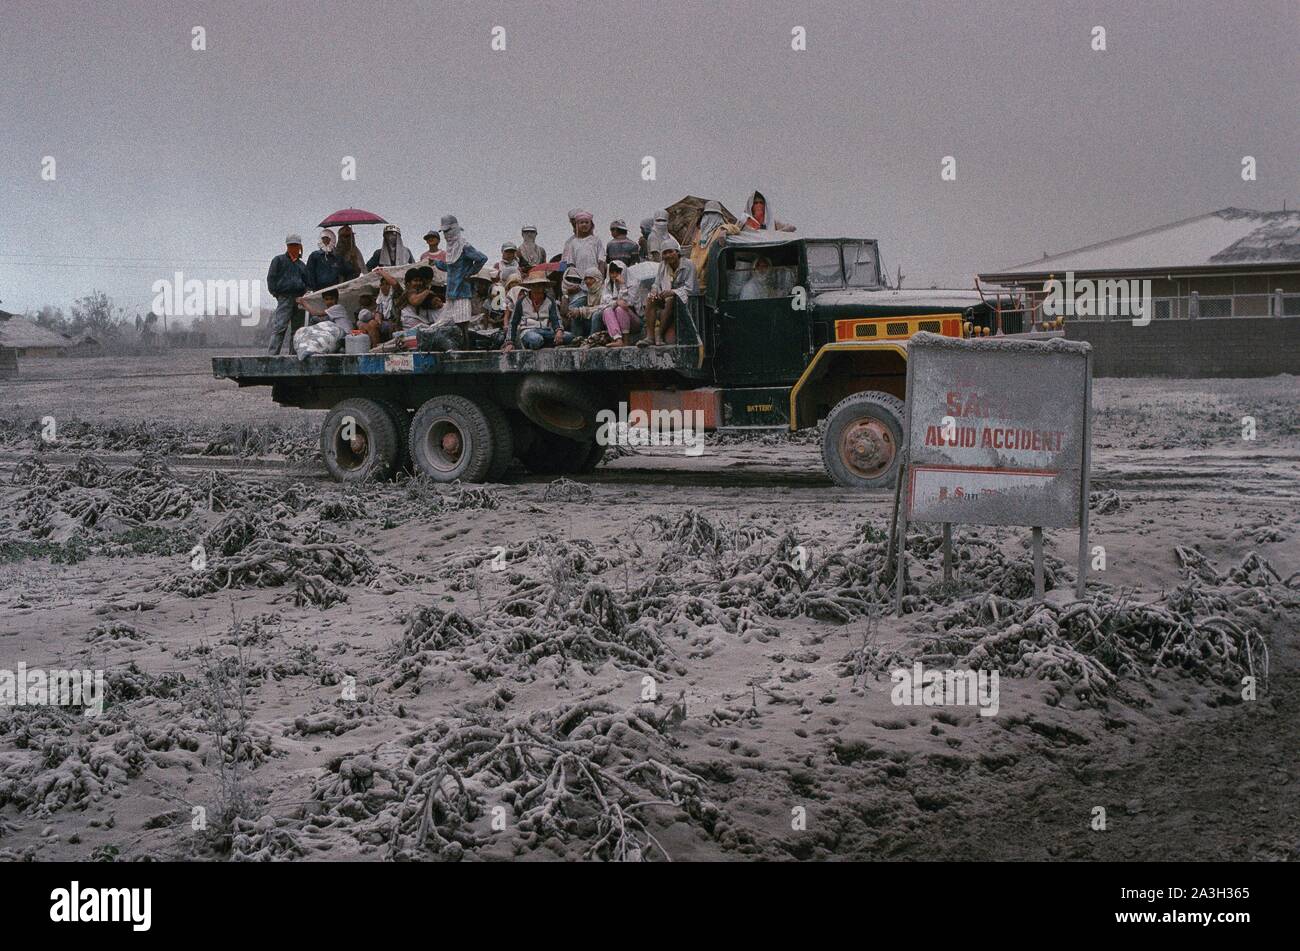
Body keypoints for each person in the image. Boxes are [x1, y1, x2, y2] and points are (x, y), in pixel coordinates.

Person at [430, 215, 489, 344]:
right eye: (444, 232)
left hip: (462, 292)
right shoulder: (451, 249)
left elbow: (482, 258)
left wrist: (470, 272)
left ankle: (466, 350)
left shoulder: (464, 246)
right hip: (451, 292)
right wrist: (436, 263)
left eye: (448, 231)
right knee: (443, 323)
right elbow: (450, 267)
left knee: (462, 324)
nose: (446, 235)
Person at [640, 235, 696, 347]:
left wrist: (673, 292)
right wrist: (654, 291)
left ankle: (659, 334)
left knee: (671, 300)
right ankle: (650, 336)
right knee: (650, 299)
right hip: (665, 301)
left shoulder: (688, 265)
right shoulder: (663, 265)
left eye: (670, 252)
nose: (668, 255)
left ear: (677, 252)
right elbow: (656, 283)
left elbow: (690, 288)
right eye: (665, 253)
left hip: (685, 304)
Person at [265, 234, 311, 354]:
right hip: (284, 297)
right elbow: (271, 278)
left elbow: (307, 282)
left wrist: (304, 295)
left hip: (299, 299)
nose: (294, 248)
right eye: (291, 245)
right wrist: (276, 294)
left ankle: (293, 355)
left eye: (296, 245)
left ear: (300, 247)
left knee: (297, 330)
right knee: (280, 327)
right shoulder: (278, 260)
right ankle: (272, 356)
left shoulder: (302, 265)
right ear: (287, 246)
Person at [506, 272, 571, 351]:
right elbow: (513, 322)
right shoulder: (521, 302)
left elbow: (556, 319)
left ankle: (545, 343)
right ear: (530, 286)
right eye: (534, 285)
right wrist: (510, 342)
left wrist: (559, 331)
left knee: (568, 337)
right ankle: (546, 344)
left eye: (540, 285)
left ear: (544, 286)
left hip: (546, 331)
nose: (537, 287)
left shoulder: (550, 301)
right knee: (536, 340)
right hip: (528, 331)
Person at [691, 200, 739, 291]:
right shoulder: (699, 233)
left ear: (719, 216)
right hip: (697, 279)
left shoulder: (720, 229)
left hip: (714, 276)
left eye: (713, 214)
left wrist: (724, 230)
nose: (710, 217)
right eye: (707, 214)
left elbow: (736, 229)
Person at [595, 260, 640, 347]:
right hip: (615, 318)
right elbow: (603, 305)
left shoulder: (633, 284)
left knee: (620, 309)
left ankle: (626, 340)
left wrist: (622, 285)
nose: (614, 275)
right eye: (612, 272)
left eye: (618, 272)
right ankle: (618, 339)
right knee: (607, 310)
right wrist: (616, 302)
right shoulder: (608, 285)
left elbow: (627, 303)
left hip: (634, 320)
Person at [562, 211, 604, 276]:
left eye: (587, 222)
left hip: (594, 278)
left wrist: (601, 278)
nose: (584, 224)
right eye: (581, 222)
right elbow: (571, 264)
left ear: (591, 225)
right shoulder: (573, 243)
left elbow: (601, 261)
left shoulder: (596, 240)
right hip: (579, 277)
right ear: (577, 225)